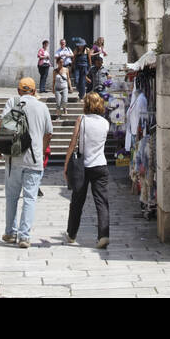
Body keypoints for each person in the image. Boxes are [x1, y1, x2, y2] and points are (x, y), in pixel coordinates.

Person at [0, 77, 53, 249]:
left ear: (18, 91)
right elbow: (48, 133)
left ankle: (10, 232)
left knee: (12, 197)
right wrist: (41, 149)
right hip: (34, 159)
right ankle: (24, 236)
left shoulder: (12, 102)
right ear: (35, 90)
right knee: (30, 198)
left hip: (13, 157)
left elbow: (3, 125)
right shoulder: (42, 106)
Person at [64, 91, 111, 249]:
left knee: (77, 201)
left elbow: (73, 143)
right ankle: (103, 235)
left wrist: (66, 165)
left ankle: (71, 234)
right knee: (102, 202)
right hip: (101, 165)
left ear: (86, 104)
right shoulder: (105, 123)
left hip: (83, 166)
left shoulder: (82, 119)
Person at [52, 52, 70, 118]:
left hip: (64, 87)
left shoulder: (66, 69)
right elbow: (53, 80)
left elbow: (68, 79)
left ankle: (65, 108)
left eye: (62, 62)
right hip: (57, 88)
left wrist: (70, 87)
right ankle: (58, 115)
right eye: (60, 62)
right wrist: (53, 88)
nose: (62, 63)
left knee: (64, 101)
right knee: (58, 103)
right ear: (57, 63)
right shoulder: (55, 71)